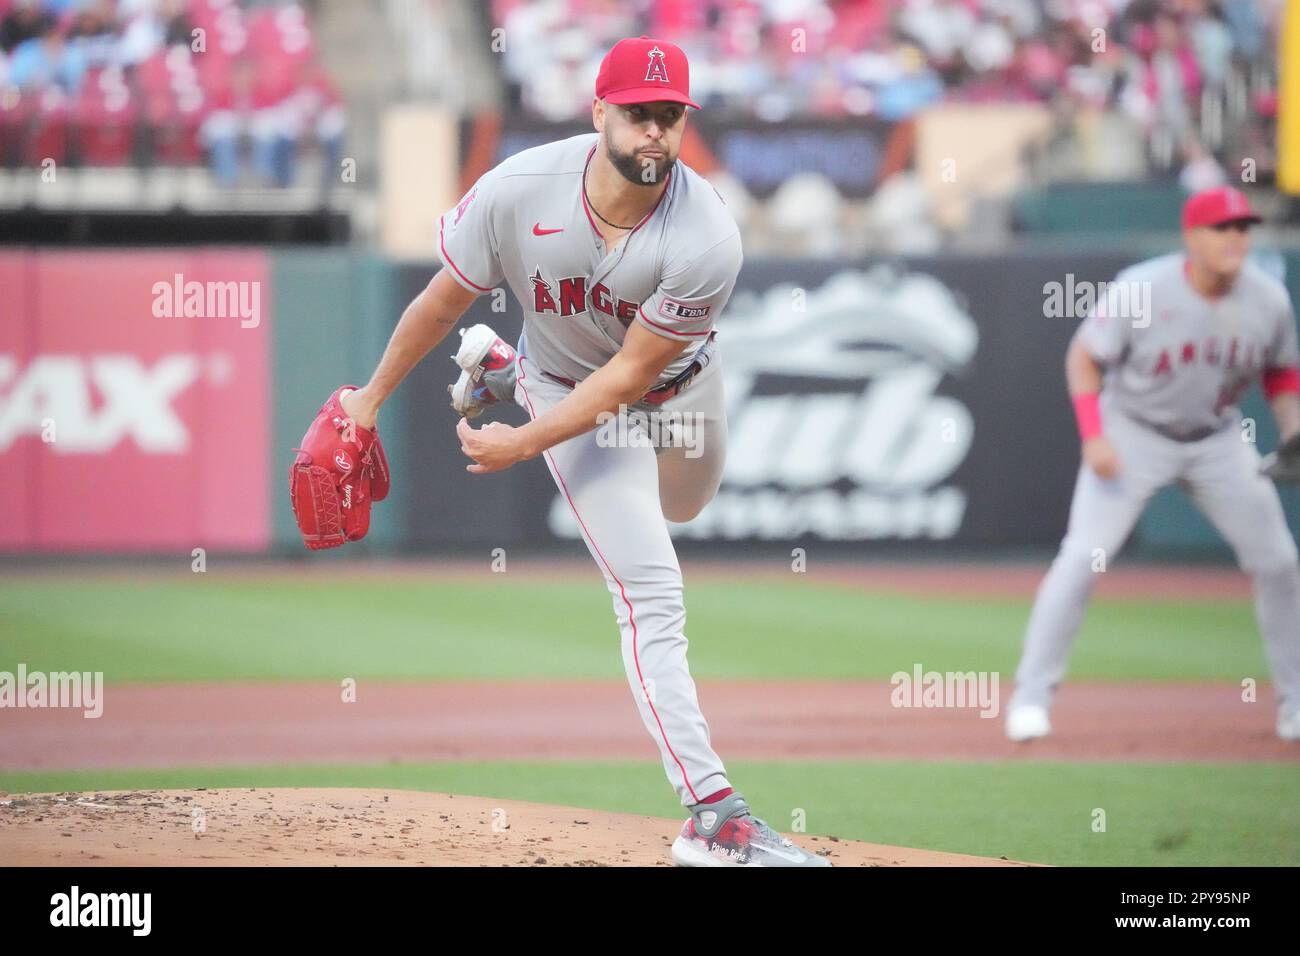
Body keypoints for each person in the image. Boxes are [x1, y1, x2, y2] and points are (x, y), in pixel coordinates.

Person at [336, 36, 829, 867]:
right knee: (652, 590)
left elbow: (633, 374)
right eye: (639, 114)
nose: (655, 135)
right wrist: (367, 400)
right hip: (567, 388)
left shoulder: (707, 232)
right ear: (599, 110)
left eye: (670, 118)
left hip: (677, 391)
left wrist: (523, 442)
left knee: (687, 505)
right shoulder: (516, 190)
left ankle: (500, 371)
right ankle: (715, 815)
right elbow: (438, 300)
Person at [1006, 185, 1300, 744]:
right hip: (1134, 430)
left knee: (1280, 560)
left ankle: (1295, 704)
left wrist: (1291, 431)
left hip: (1217, 438)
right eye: (1223, 228)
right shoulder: (1143, 288)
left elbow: (1281, 373)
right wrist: (1094, 436)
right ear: (1192, 236)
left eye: (1243, 228)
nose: (1236, 238)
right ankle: (1030, 699)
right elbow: (1084, 358)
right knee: (1082, 559)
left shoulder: (1269, 299)